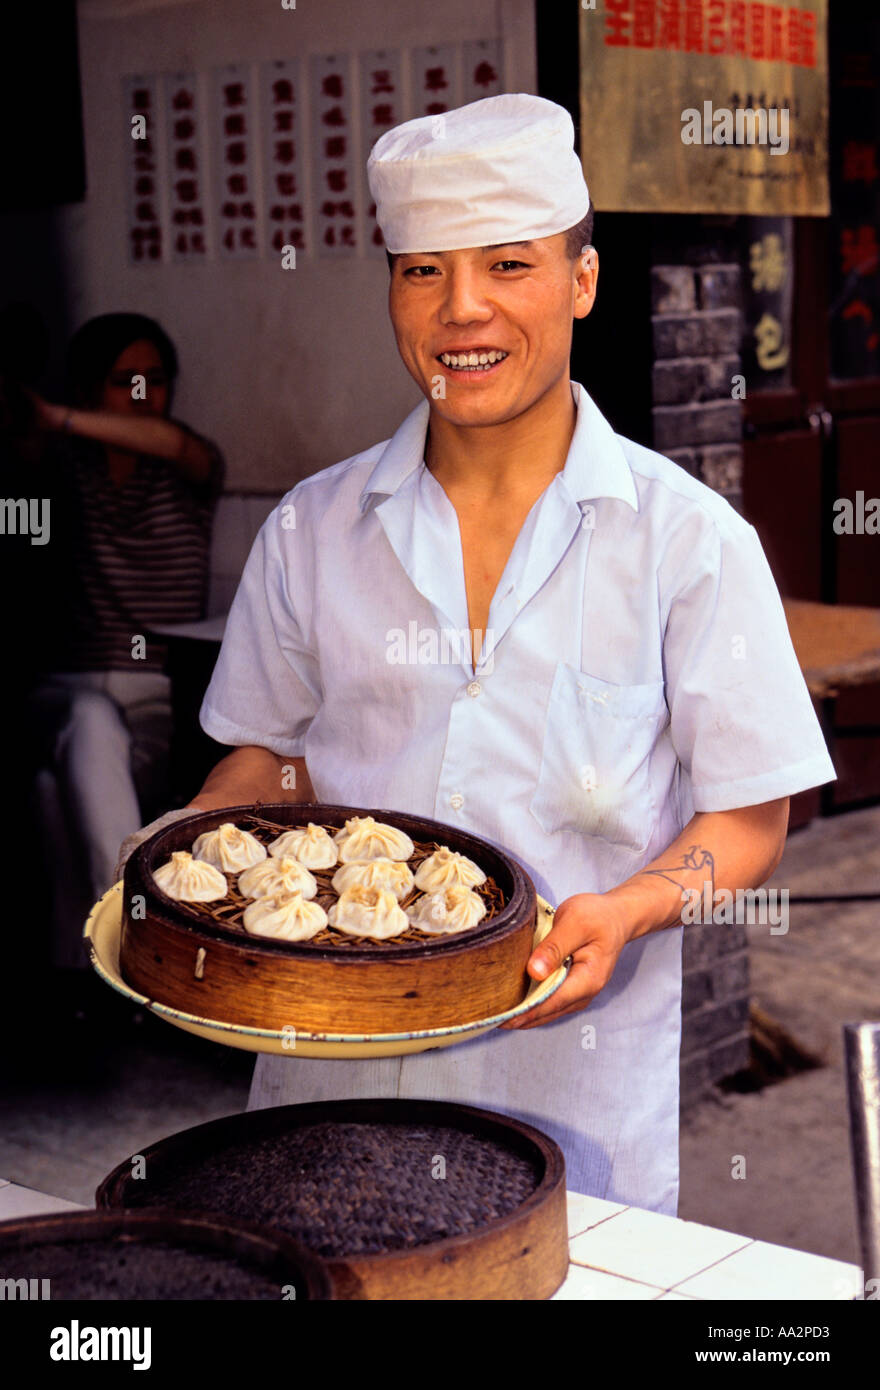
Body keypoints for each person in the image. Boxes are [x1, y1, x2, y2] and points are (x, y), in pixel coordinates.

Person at [118, 96, 834, 1211]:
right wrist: (201, 843)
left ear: (581, 283)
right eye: (421, 272)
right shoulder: (312, 531)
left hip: (571, 1109)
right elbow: (274, 764)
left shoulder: (684, 542)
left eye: (508, 264)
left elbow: (749, 817)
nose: (463, 311)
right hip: (324, 1082)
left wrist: (633, 905)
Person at [29, 312, 223, 960]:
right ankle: (132, 930)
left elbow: (170, 443)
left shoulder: (190, 464)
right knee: (86, 720)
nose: (143, 395)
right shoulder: (63, 471)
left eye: (155, 380)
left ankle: (81, 966)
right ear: (88, 390)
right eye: (123, 382)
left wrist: (55, 416)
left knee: (55, 791)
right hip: (66, 688)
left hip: (154, 702)